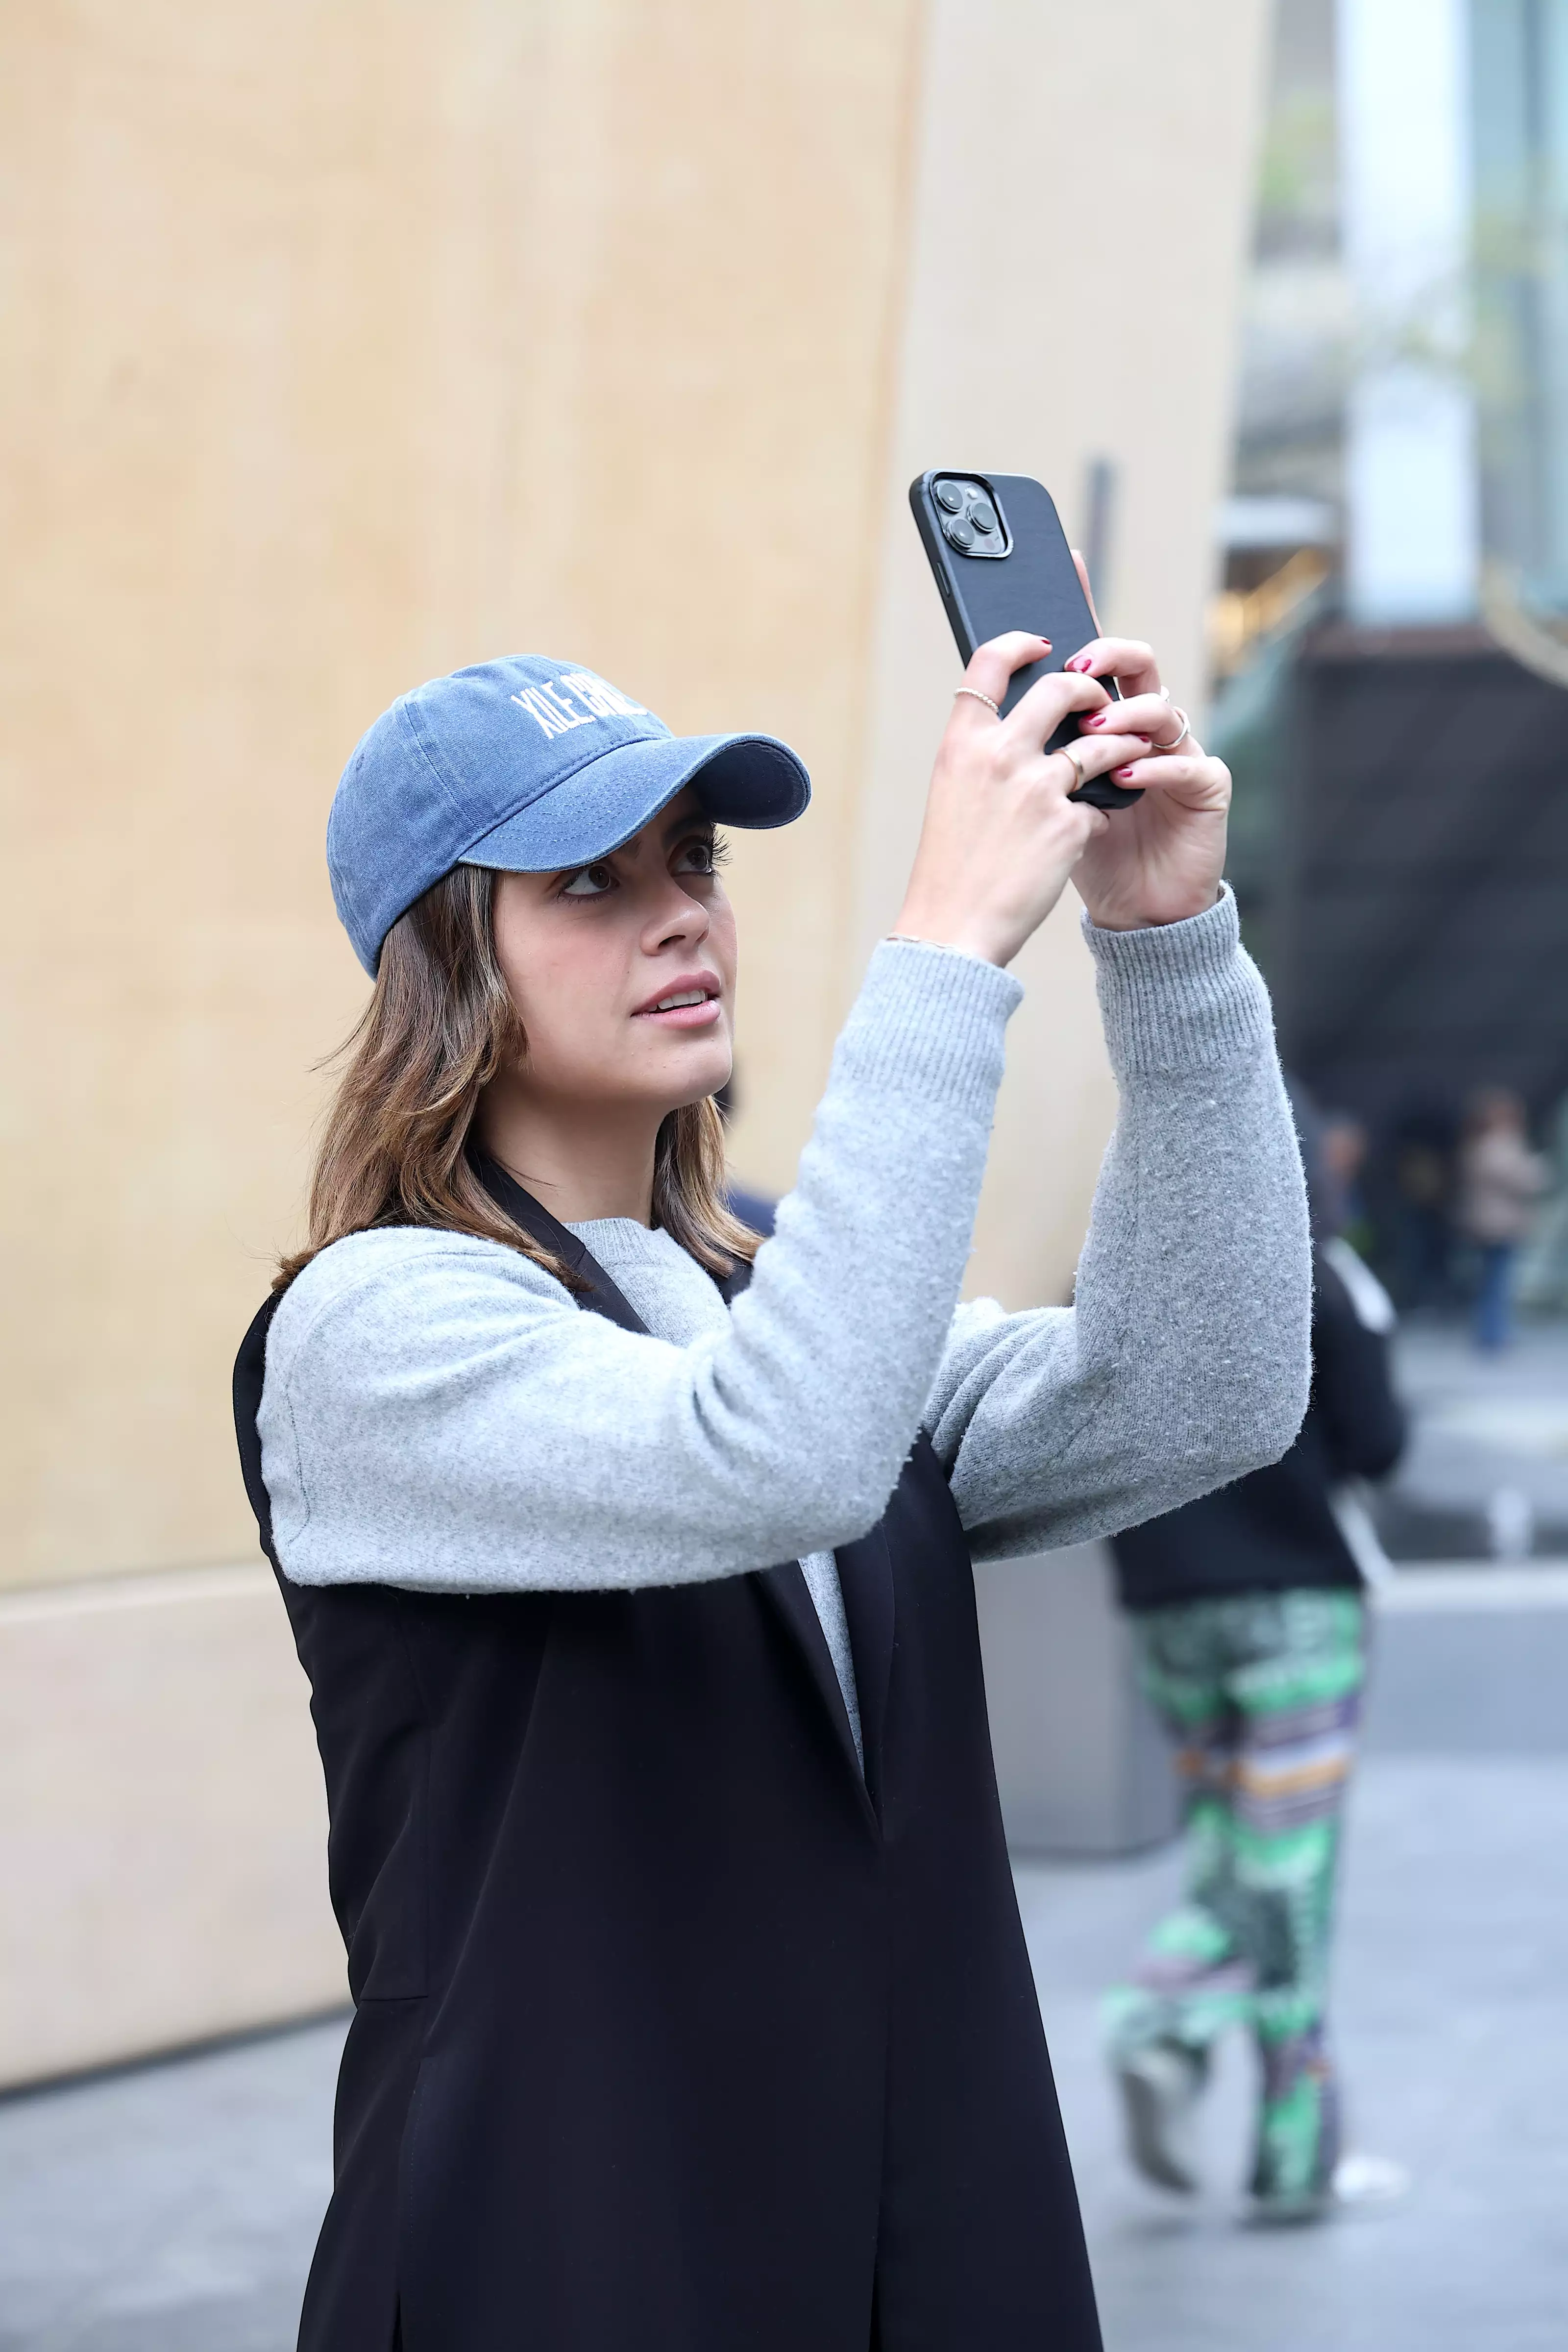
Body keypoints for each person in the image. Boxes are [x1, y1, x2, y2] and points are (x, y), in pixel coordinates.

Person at [233, 622, 1311, 2351]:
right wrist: (949, 942)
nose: (680, 915)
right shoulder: (377, 1326)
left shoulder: (782, 1298)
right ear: (449, 958)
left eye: (695, 863)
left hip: (920, 2241)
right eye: (588, 881)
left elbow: (1202, 1390)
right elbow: (783, 1451)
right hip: (578, 2258)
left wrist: (1167, 942)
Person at [1104, 1089, 1406, 2223]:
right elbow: (1380, 1441)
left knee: (1233, 1847)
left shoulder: (1125, 1277)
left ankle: (1197, 2048)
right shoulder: (1323, 1273)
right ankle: (1246, 2105)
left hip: (1166, 1607)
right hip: (1295, 1612)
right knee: (1291, 1877)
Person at [1455, 1086, 1548, 1351]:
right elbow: (1522, 1179)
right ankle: (1494, 1335)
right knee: (1497, 1282)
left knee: (1493, 1280)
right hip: (1499, 1224)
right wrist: (1535, 1170)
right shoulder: (1498, 1143)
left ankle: (1493, 1333)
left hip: (1491, 1222)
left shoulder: (1480, 1142)